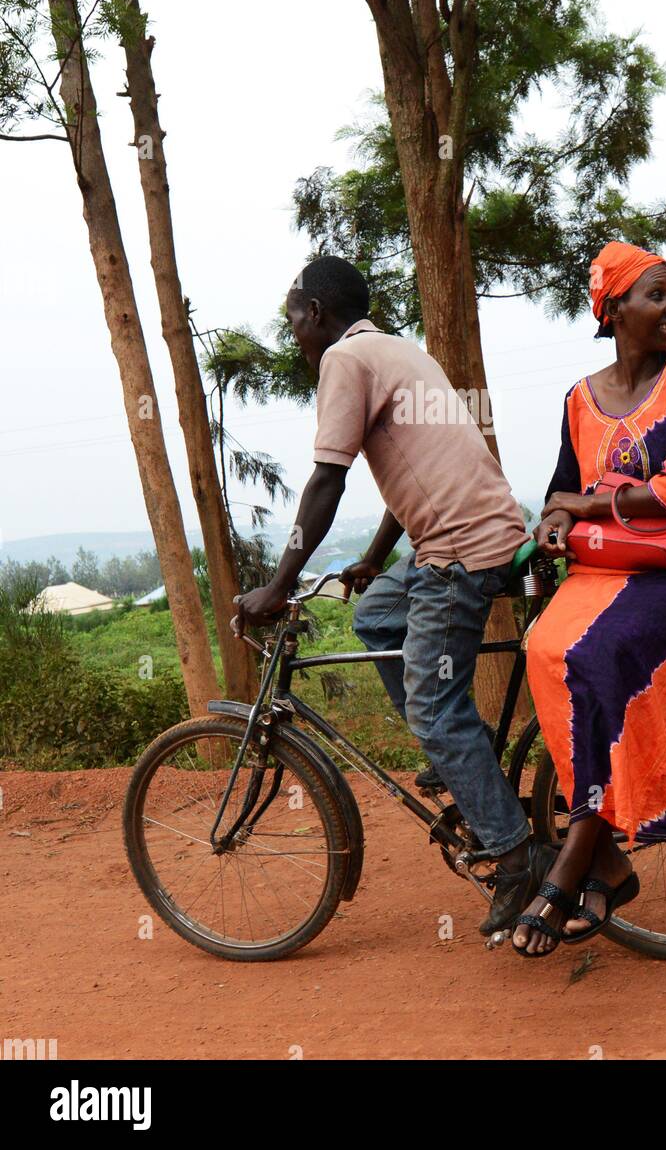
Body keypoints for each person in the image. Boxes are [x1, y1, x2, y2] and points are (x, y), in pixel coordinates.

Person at [232, 255, 555, 937]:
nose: (293, 331)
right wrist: (375, 560)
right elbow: (407, 468)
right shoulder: (397, 350)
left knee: (436, 714)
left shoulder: (344, 361)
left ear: (316, 311)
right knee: (378, 613)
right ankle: (458, 767)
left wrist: (279, 584)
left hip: (457, 554)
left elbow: (328, 481)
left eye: (294, 316)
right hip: (493, 534)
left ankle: (516, 854)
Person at [512, 241, 666, 957]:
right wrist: (561, 519)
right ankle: (609, 861)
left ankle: (577, 853)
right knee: (546, 651)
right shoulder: (578, 399)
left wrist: (593, 503)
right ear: (613, 308)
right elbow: (565, 490)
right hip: (608, 575)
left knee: (604, 653)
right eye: (657, 295)